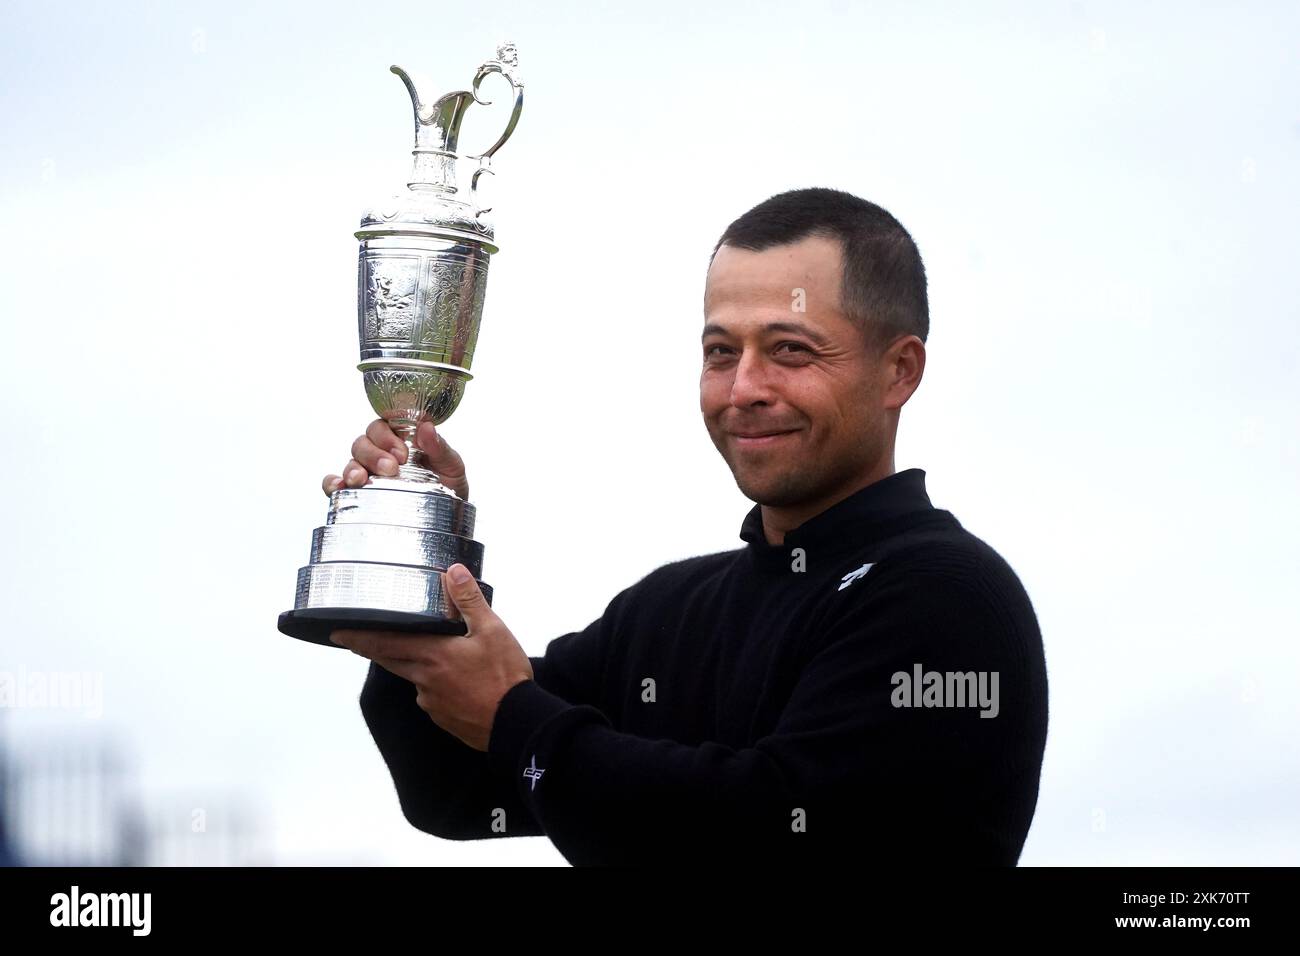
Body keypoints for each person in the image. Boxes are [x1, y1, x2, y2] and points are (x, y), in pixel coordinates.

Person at [329, 187, 1049, 866]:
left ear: (899, 371)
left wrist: (517, 719)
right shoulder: (672, 610)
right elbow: (452, 781)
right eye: (720, 351)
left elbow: (768, 829)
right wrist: (422, 543)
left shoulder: (948, 597)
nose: (744, 389)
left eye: (791, 349)